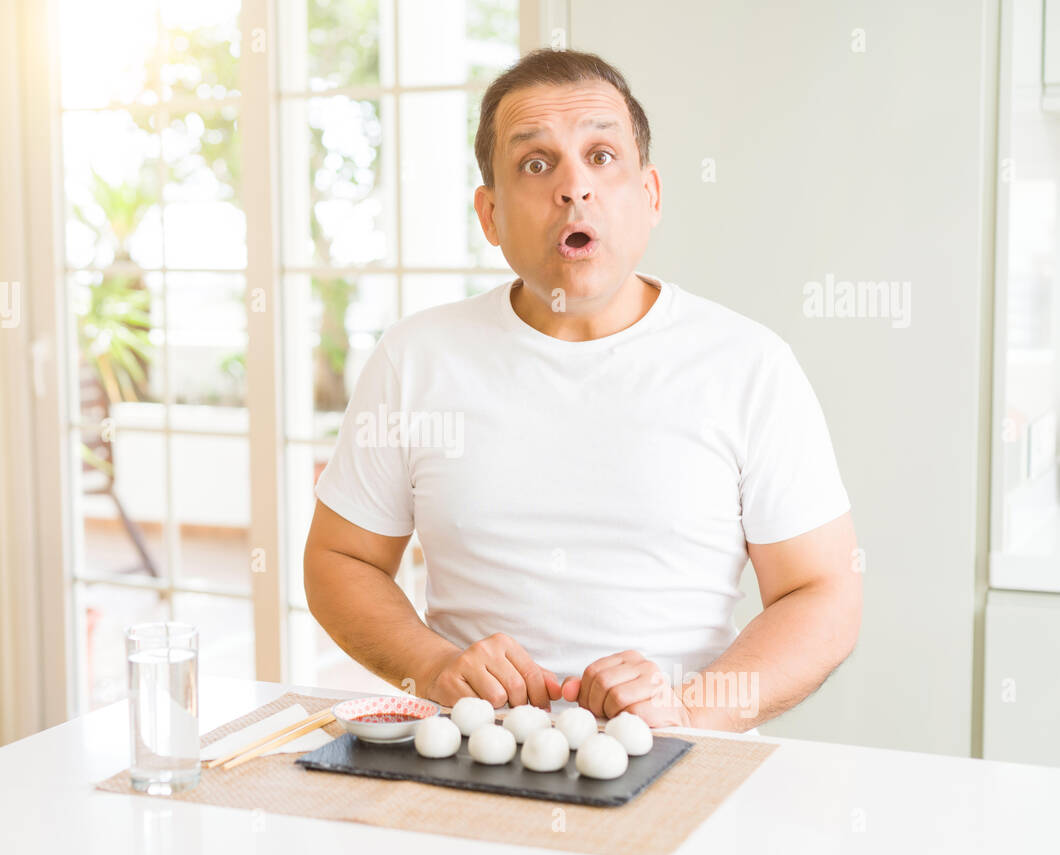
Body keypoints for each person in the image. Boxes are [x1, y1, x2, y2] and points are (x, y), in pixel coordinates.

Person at [303, 47, 861, 733]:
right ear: (490, 215)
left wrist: (688, 711)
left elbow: (824, 592)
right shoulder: (415, 357)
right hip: (471, 757)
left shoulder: (750, 365)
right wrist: (437, 665)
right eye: (535, 164)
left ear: (650, 195)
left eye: (602, 156)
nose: (574, 187)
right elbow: (339, 559)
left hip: (677, 764)